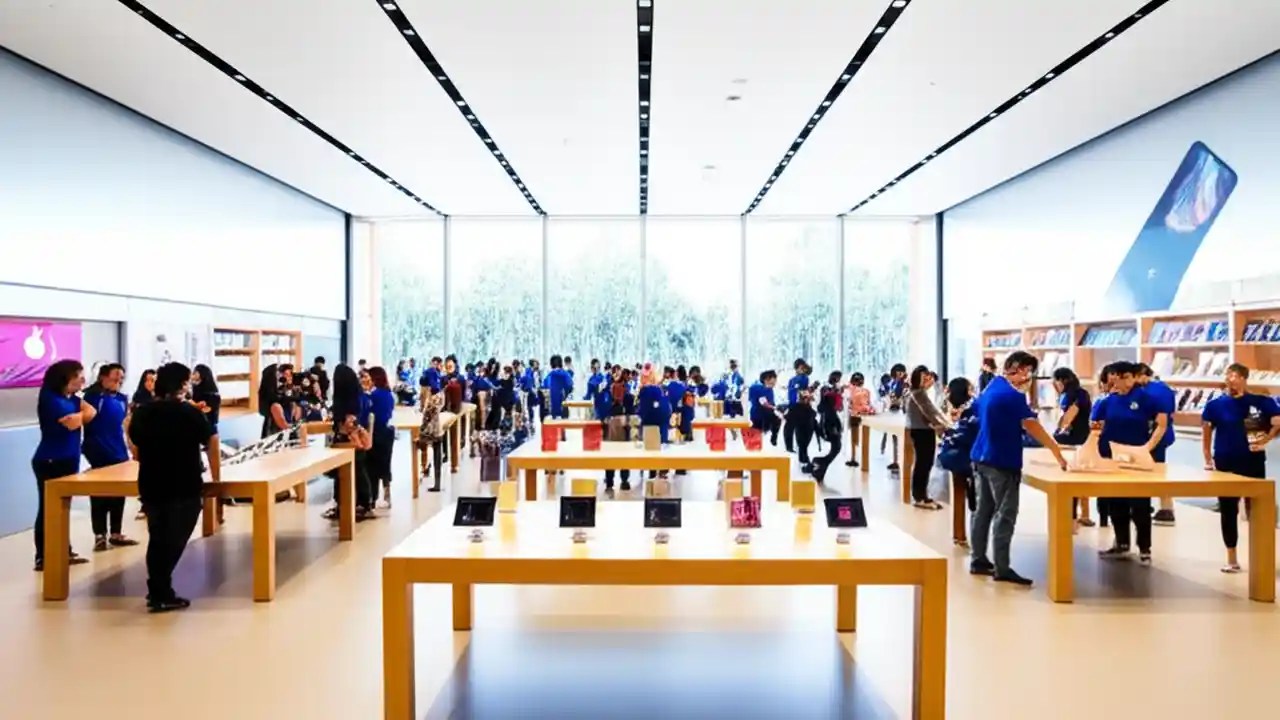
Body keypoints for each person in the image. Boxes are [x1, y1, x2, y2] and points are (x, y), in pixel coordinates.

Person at [969, 351, 1068, 586]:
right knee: (1006, 513)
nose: (1028, 378)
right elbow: (1032, 425)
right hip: (1002, 460)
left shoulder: (990, 388)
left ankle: (979, 559)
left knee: (983, 511)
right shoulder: (1012, 396)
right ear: (1019, 368)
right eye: (1027, 372)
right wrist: (1056, 451)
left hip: (981, 457)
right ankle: (1002, 568)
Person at [128, 362, 219, 612]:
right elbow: (211, 439)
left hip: (151, 483)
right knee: (175, 537)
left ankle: (158, 589)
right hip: (183, 483)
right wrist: (216, 476)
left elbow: (134, 442)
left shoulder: (144, 413)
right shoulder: (188, 413)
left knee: (158, 537)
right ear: (182, 384)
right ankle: (159, 588)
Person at [1201, 363, 1280, 573]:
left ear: (1244, 378)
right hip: (1225, 461)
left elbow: (1277, 421)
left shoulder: (1260, 402)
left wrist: (1267, 438)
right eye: (1228, 375)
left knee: (1256, 509)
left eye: (1235, 375)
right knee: (1228, 509)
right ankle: (1231, 556)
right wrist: (1207, 458)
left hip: (1252, 461)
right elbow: (1207, 432)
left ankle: (1262, 555)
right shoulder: (1215, 405)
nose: (1231, 379)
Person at [1094, 361, 1164, 564]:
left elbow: (1162, 424)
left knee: (1140, 504)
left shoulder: (1147, 399)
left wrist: (1148, 447)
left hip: (1137, 458)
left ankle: (1145, 547)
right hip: (1112, 457)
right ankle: (1121, 543)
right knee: (1116, 503)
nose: (1119, 380)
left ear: (1133, 378)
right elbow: (1096, 427)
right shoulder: (1108, 401)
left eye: (1124, 376)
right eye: (1116, 375)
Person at [32, 359, 95, 571]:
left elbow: (91, 412)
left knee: (62, 508)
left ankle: (63, 550)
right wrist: (81, 416)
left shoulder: (73, 399)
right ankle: (43, 555)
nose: (83, 380)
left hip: (68, 459)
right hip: (51, 460)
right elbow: (71, 422)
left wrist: (81, 415)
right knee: (49, 508)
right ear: (66, 378)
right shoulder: (50, 398)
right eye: (78, 376)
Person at [82, 363, 139, 551]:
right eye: (115, 375)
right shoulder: (93, 397)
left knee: (118, 493)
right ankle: (100, 534)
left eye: (122, 376)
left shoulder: (123, 399)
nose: (119, 380)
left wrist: (131, 446)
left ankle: (116, 532)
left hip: (118, 451)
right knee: (99, 493)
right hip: (98, 451)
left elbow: (124, 425)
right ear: (103, 377)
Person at [327, 364, 378, 520]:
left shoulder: (348, 402)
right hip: (357, 442)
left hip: (349, 441)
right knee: (359, 472)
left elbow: (349, 424)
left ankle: (349, 504)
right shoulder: (360, 397)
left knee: (347, 473)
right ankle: (362, 503)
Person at [1050, 367, 1094, 527]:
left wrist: (1056, 432)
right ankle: (1086, 514)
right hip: (1084, 438)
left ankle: (1072, 519)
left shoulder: (1071, 395)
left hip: (1072, 440)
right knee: (1083, 479)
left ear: (1062, 380)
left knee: (1071, 480)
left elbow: (1067, 417)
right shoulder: (1082, 393)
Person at [1136, 363, 1178, 526]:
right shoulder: (1163, 389)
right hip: (1157, 435)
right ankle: (1162, 507)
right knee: (1157, 470)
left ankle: (1166, 509)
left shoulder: (1154, 391)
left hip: (1154, 436)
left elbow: (1161, 419)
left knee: (1158, 471)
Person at [938, 377, 978, 546]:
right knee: (974, 500)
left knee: (961, 495)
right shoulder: (973, 408)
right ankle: (964, 535)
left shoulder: (964, 409)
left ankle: (959, 534)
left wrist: (945, 434)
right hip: (970, 457)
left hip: (958, 457)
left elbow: (957, 433)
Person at [904, 365, 950, 510]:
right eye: (925, 377)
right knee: (923, 464)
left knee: (923, 463)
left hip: (920, 430)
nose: (929, 380)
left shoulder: (916, 393)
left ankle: (921, 495)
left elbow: (933, 411)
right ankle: (920, 497)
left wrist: (945, 423)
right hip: (922, 431)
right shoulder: (918, 394)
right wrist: (946, 425)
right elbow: (930, 412)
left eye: (929, 377)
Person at [367, 366, 397, 509]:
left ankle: (372, 498)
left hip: (376, 432)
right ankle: (387, 494)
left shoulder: (373, 395)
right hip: (387, 432)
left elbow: (370, 414)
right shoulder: (388, 394)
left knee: (372, 466)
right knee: (386, 464)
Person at [811, 371, 845, 482]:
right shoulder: (826, 388)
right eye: (835, 378)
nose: (836, 380)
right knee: (836, 446)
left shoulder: (836, 390)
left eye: (838, 378)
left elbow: (840, 407)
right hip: (827, 421)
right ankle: (820, 464)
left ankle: (821, 466)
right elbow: (825, 396)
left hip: (833, 419)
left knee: (837, 447)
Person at [782, 358, 811, 458]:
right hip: (793, 405)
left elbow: (805, 391)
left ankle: (801, 451)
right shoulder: (792, 380)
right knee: (789, 427)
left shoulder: (805, 378)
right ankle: (789, 447)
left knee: (800, 429)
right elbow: (791, 393)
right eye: (799, 367)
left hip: (801, 405)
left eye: (802, 367)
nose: (801, 369)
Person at [845, 372, 873, 467]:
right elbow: (868, 402)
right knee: (864, 437)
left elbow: (850, 403)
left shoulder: (851, 390)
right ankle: (863, 458)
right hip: (865, 415)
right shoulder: (866, 391)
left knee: (854, 438)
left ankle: (854, 458)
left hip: (854, 415)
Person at [883, 364, 907, 470]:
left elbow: (901, 396)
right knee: (894, 437)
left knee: (900, 437)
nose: (899, 374)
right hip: (894, 410)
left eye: (901, 372)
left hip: (901, 411)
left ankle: (900, 460)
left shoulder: (903, 383)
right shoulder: (894, 383)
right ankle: (896, 460)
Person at [748, 370, 781, 445]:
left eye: (775, 381)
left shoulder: (770, 389)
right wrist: (775, 407)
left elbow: (771, 402)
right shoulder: (758, 389)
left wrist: (776, 408)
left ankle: (773, 438)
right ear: (766, 380)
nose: (775, 383)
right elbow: (764, 403)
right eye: (773, 381)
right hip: (758, 415)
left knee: (776, 420)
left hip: (768, 414)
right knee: (757, 430)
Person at [545, 355, 573, 419]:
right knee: (563, 424)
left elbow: (545, 387)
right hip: (563, 406)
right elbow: (570, 386)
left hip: (552, 407)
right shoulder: (566, 374)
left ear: (551, 364)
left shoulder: (549, 376)